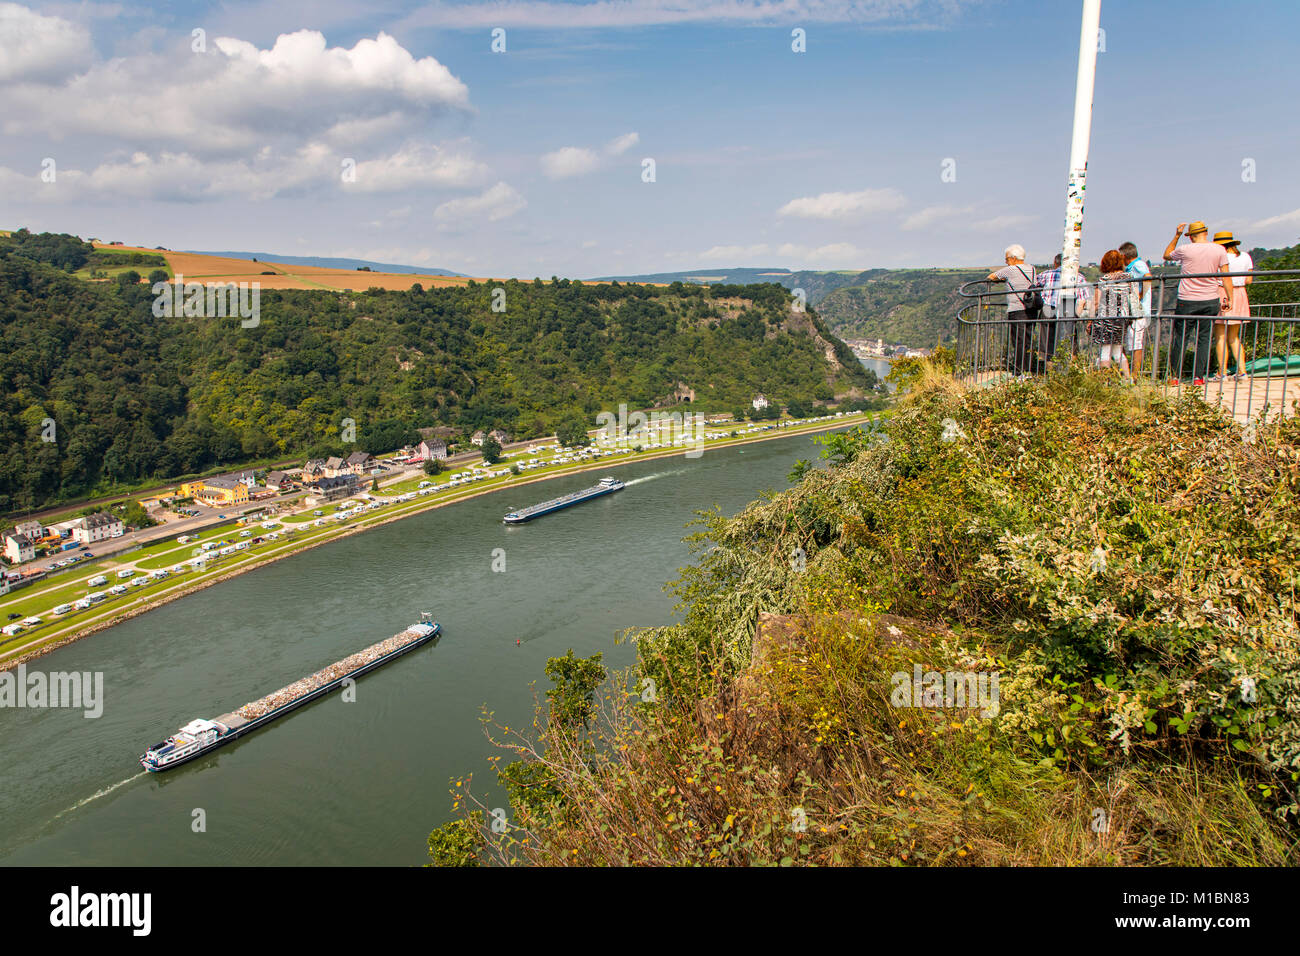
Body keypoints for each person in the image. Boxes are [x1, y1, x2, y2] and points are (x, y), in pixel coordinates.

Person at [1162, 221, 1233, 384]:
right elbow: (1226, 276)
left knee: (1181, 338)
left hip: (1187, 299)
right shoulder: (1219, 249)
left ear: (1191, 237)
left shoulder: (1185, 249)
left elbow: (1167, 255)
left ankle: (1174, 377)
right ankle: (1198, 377)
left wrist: (1177, 235)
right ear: (1206, 233)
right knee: (1204, 338)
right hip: (1210, 299)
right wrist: (1230, 298)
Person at [987, 244, 1037, 375]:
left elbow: (991, 277)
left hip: (1017, 309)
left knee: (1018, 341)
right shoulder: (1032, 269)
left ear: (1014, 258)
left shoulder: (1011, 270)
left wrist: (1001, 280)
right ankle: (1028, 370)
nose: (1006, 262)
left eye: (1007, 259)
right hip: (1031, 308)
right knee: (1028, 341)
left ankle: (1019, 372)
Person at [1090, 250, 1138, 379]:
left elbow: (1096, 303)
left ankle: (1105, 380)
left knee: (1105, 351)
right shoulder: (1129, 278)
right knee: (1118, 351)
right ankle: (1127, 380)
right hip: (1122, 318)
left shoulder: (1103, 280)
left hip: (1106, 318)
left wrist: (1090, 319)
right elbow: (1134, 297)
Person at [1212, 231, 1252, 381]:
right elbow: (1248, 280)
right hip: (1240, 294)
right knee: (1234, 337)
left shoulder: (1219, 258)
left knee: (1220, 336)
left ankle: (1221, 372)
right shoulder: (1245, 256)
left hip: (1223, 292)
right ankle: (1242, 371)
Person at [1119, 242, 1152, 375]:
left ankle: (1135, 375)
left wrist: (1139, 296)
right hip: (1133, 311)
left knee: (1135, 343)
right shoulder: (1131, 267)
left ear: (1125, 255)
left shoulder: (1138, 265)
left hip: (1138, 311)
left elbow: (1147, 277)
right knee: (1131, 342)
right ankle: (1129, 372)